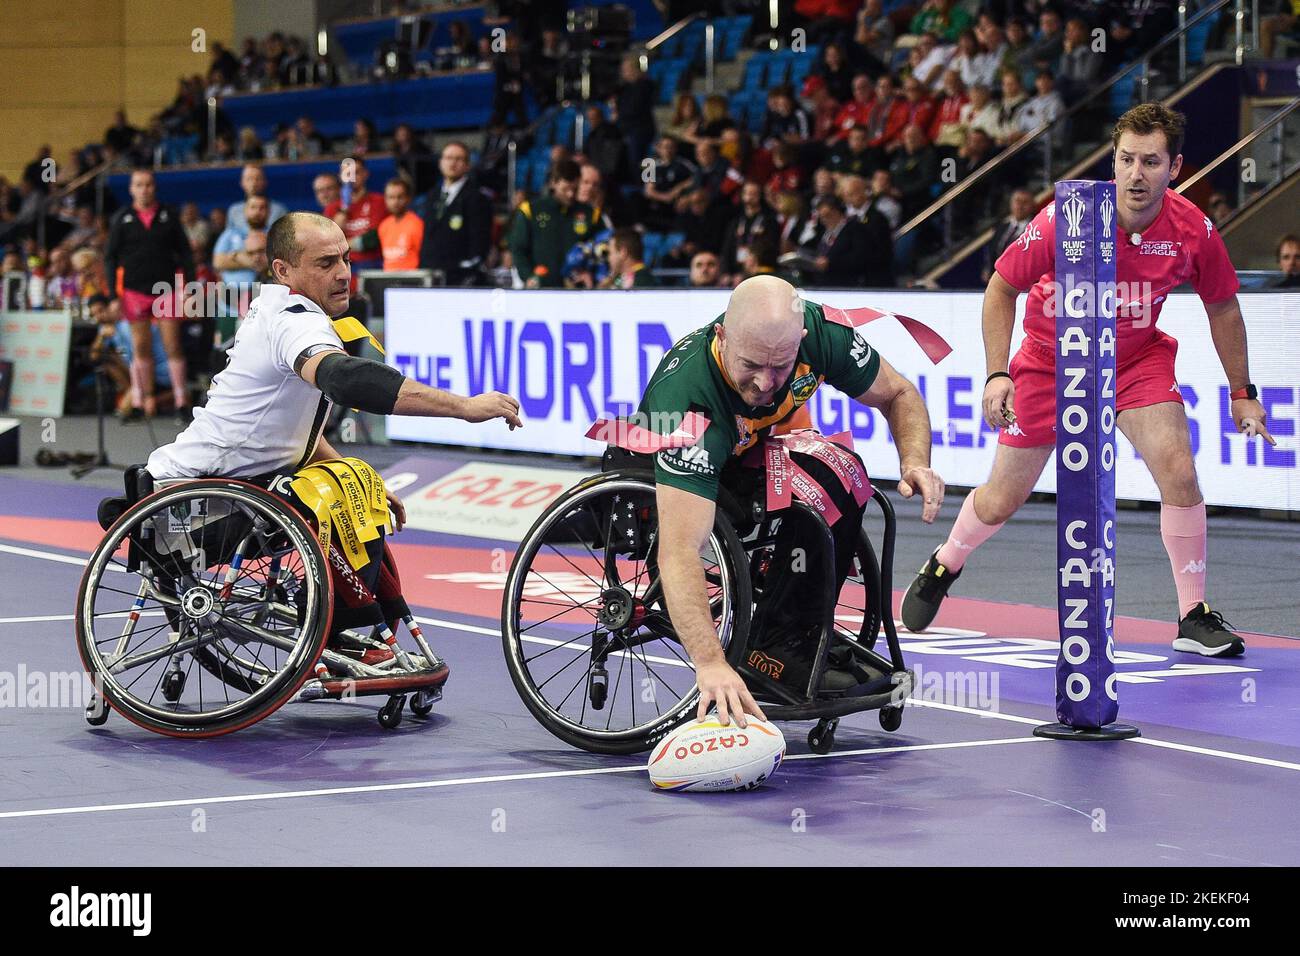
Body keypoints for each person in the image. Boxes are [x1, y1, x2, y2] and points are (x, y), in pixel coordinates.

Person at [902, 104, 1274, 658]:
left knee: (1178, 467)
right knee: (1002, 499)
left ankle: (1192, 614)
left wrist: (1242, 394)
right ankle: (945, 562)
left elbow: (1223, 307)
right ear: (1114, 160)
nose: (1136, 174)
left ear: (1175, 167)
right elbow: (1001, 288)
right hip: (1050, 362)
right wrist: (997, 373)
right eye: (1126, 159)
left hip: (1134, 361)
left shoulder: (1193, 230)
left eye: (1151, 162)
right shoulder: (1066, 219)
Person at [145, 211, 522, 671]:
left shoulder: (281, 310)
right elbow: (345, 379)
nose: (343, 272)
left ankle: (330, 625)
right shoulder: (292, 320)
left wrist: (363, 482)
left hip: (230, 490)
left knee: (357, 484)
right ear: (284, 271)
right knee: (342, 495)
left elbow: (296, 433)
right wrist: (464, 408)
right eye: (325, 263)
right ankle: (329, 627)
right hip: (191, 506)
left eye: (345, 258)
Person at [636, 275, 943, 725]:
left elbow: (898, 392)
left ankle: (797, 630)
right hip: (690, 467)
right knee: (811, 492)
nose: (765, 383)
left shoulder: (820, 332)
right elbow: (679, 551)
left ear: (800, 339)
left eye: (780, 366)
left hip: (751, 453)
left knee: (841, 468)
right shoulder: (688, 401)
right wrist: (710, 662)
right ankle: (773, 647)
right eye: (751, 365)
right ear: (722, 336)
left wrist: (914, 461)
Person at [103, 168, 195, 423]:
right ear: (132, 189)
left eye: (149, 185)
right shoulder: (122, 218)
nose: (144, 189)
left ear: (155, 188)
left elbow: (185, 254)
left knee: (172, 346)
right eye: (139, 185)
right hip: (134, 292)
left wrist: (190, 288)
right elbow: (110, 258)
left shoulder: (169, 215)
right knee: (139, 348)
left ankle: (181, 402)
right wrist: (113, 295)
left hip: (166, 290)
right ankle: (139, 402)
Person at [507, 159, 594, 288]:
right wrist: (528, 276)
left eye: (574, 189)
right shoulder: (531, 210)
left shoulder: (589, 213)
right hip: (540, 286)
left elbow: (600, 246)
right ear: (553, 183)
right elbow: (518, 248)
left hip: (576, 289)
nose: (570, 194)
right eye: (565, 189)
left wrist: (591, 273)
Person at [323, 155, 387, 277]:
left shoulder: (379, 202)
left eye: (356, 172)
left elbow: (373, 239)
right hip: (340, 270)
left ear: (366, 174)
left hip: (371, 268)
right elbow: (327, 241)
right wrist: (345, 208)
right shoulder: (332, 208)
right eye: (346, 173)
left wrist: (341, 245)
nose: (351, 178)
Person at [377, 178, 423, 271]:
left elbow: (423, 256)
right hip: (388, 279)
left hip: (411, 280)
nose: (395, 202)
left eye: (400, 197)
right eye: (391, 197)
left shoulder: (416, 224)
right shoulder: (383, 226)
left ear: (408, 198)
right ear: (385, 199)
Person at [226, 164, 288, 232]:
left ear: (265, 182)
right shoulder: (234, 211)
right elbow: (228, 238)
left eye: (258, 179)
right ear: (242, 183)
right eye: (249, 179)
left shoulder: (279, 210)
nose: (254, 183)